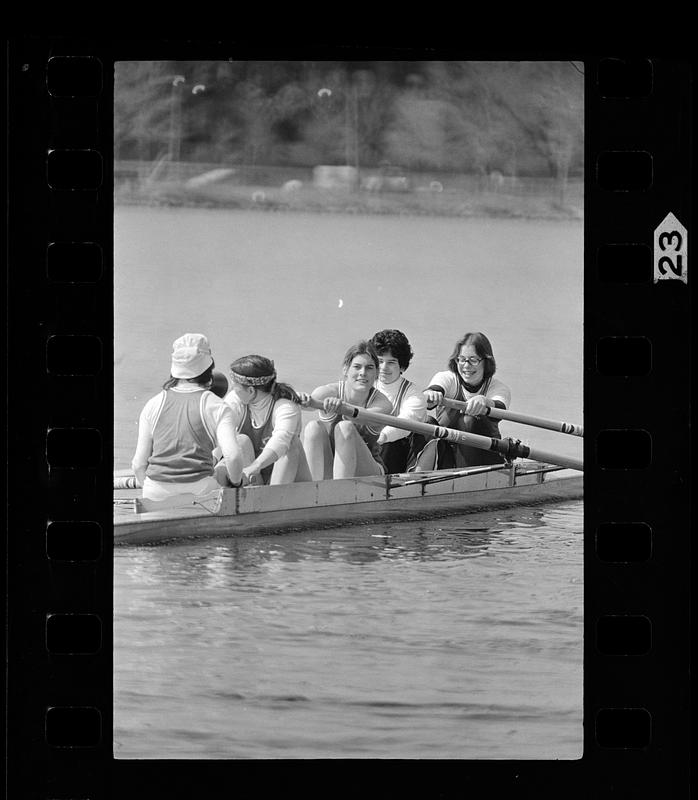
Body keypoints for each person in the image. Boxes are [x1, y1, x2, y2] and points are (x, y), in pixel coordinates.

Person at [131, 333, 244, 500]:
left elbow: (138, 464)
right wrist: (236, 483)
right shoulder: (217, 406)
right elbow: (233, 456)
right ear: (210, 368)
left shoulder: (152, 404)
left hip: (155, 492)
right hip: (202, 492)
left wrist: (148, 490)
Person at [417, 331, 511, 470]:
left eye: (473, 360)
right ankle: (417, 478)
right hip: (448, 457)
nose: (466, 366)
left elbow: (500, 408)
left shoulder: (498, 388)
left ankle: (467, 481)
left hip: (484, 460)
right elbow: (435, 388)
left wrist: (485, 401)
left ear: (486, 362)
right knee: (427, 423)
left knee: (467, 421)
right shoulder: (448, 378)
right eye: (462, 359)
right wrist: (431, 394)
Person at [302, 340, 393, 479]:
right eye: (357, 367)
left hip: (369, 471)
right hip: (331, 466)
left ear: (376, 373)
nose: (363, 373)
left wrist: (343, 407)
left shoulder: (382, 403)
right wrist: (300, 398)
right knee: (312, 427)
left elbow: (361, 416)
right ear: (346, 370)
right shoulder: (328, 391)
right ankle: (311, 491)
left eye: (369, 368)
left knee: (345, 427)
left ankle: (341, 493)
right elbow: (306, 405)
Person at [221, 355, 312, 486]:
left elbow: (281, 440)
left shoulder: (286, 406)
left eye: (235, 385)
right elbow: (220, 430)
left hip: (290, 481)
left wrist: (254, 467)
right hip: (259, 480)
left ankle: (271, 500)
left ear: (251, 390)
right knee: (240, 441)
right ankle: (257, 498)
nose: (232, 389)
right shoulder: (236, 400)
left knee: (291, 443)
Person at [369, 328, 427, 473]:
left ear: (402, 366)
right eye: (380, 361)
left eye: (391, 362)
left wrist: (379, 437)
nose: (383, 368)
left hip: (395, 455)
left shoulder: (413, 393)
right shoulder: (365, 384)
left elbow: (406, 422)